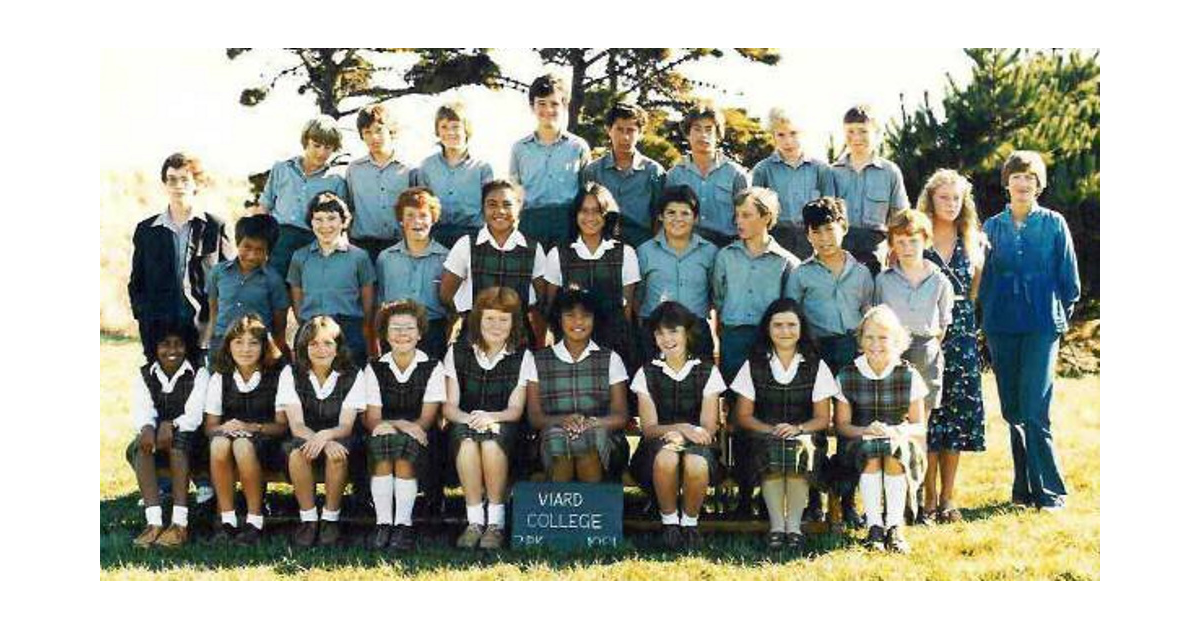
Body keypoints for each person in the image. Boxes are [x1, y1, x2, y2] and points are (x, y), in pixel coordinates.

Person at [978, 150, 1080, 511]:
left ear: (1039, 184)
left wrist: (1054, 319)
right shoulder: (991, 227)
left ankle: (1050, 492)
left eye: (1030, 177)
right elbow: (982, 278)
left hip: (1041, 327)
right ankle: (1022, 489)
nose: (1023, 183)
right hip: (1001, 326)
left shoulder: (1054, 224)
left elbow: (1070, 283)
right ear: (1007, 183)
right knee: (1013, 411)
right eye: (1017, 177)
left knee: (1036, 409)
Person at [784, 197, 874, 525]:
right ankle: (813, 499)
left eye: (830, 229)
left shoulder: (863, 273)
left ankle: (848, 500)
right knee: (816, 427)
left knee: (851, 429)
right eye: (816, 231)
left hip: (852, 352)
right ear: (808, 235)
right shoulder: (800, 274)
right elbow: (793, 316)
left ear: (844, 228)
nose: (824, 237)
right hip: (816, 352)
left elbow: (868, 312)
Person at [713, 187, 800, 515]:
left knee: (765, 416)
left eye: (747, 215)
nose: (739, 221)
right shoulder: (725, 256)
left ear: (767, 218)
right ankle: (740, 494)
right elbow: (719, 299)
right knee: (737, 419)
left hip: (770, 344)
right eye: (737, 215)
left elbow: (786, 308)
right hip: (735, 341)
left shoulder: (785, 262)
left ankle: (769, 496)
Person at [730, 299, 837, 550]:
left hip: (806, 435)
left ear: (802, 328)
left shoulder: (816, 365)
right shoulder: (754, 364)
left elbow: (823, 418)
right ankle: (778, 527)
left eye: (791, 324)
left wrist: (798, 430)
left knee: (796, 447)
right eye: (778, 325)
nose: (785, 331)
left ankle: (794, 527)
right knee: (776, 447)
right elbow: (743, 416)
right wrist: (772, 430)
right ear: (767, 328)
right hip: (762, 436)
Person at [916, 169, 988, 523]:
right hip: (925, 336)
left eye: (956, 198)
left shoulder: (974, 240)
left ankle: (948, 498)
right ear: (931, 199)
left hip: (960, 337)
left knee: (956, 420)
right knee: (928, 417)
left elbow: (973, 293)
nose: (950, 204)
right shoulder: (917, 238)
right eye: (943, 197)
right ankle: (926, 496)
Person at [629, 301, 726, 550]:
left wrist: (686, 436)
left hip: (698, 445)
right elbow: (649, 429)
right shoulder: (646, 373)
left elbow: (707, 427)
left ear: (687, 333)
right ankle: (669, 524)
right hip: (655, 448)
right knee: (667, 458)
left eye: (673, 331)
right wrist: (681, 428)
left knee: (695, 462)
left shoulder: (706, 371)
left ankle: (690, 525)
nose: (667, 338)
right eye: (660, 332)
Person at [834, 305, 929, 554]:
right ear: (860, 339)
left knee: (893, 450)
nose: (875, 344)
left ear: (897, 341)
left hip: (900, 441)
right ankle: (874, 526)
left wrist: (897, 431)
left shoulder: (909, 374)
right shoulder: (847, 374)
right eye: (869, 337)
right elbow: (842, 426)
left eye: (883, 337)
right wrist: (866, 430)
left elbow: (920, 426)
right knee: (872, 451)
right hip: (858, 443)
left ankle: (894, 526)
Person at [443, 287, 532, 550]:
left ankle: (495, 523)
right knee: (469, 443)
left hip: (505, 427)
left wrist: (490, 418)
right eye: (490, 318)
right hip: (464, 423)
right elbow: (449, 407)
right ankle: (473, 522)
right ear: (478, 319)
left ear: (514, 323)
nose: (496, 325)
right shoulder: (457, 352)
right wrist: (473, 420)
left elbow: (515, 410)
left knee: (491, 443)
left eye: (504, 320)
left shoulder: (522, 356)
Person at [129, 152, 233, 362]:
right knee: (163, 392)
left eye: (185, 179)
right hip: (158, 331)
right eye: (172, 179)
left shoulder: (215, 227)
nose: (178, 185)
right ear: (165, 184)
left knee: (203, 392)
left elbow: (229, 281)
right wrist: (145, 316)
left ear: (197, 183)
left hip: (203, 332)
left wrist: (218, 326)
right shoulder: (147, 230)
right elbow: (137, 283)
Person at [363, 300, 447, 551]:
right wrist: (400, 423)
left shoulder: (433, 366)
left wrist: (405, 428)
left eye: (409, 328)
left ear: (420, 333)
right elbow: (372, 419)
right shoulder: (374, 367)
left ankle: (403, 524)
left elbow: (425, 421)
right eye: (396, 328)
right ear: (385, 334)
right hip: (382, 434)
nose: (402, 334)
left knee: (403, 446)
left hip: (421, 440)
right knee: (386, 442)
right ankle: (383, 523)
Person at [277, 316, 366, 547]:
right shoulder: (291, 373)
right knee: (298, 454)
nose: (321, 349)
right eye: (313, 343)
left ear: (338, 348)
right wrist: (322, 442)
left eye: (328, 343)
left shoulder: (354, 375)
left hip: (340, 436)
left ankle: (330, 519)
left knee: (337, 456)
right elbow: (296, 425)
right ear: (304, 348)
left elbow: (346, 426)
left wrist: (326, 438)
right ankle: (308, 520)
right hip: (303, 435)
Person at [524, 289, 630, 484]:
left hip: (603, 437)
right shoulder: (538, 360)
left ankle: (590, 511)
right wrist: (563, 421)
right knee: (559, 439)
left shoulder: (610, 359)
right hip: (551, 437)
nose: (578, 322)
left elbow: (621, 415)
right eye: (570, 316)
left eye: (586, 316)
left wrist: (592, 423)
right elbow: (535, 417)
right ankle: (562, 512)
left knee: (587, 440)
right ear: (559, 319)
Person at [203, 314, 288, 546]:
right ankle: (227, 520)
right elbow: (210, 427)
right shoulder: (220, 377)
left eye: (253, 343)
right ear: (228, 345)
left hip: (268, 442)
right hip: (229, 439)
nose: (245, 349)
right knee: (220, 442)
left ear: (264, 346)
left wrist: (252, 428)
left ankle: (255, 520)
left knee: (242, 444)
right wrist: (224, 427)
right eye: (238, 342)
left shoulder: (279, 376)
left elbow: (282, 426)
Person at [872, 210, 954, 447]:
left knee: (919, 423)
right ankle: (888, 477)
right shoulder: (883, 280)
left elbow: (942, 325)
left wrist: (930, 349)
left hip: (925, 352)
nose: (907, 248)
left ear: (926, 241)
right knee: (889, 418)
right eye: (900, 242)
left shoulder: (940, 281)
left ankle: (914, 480)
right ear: (892, 245)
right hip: (890, 352)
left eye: (913, 241)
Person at [127, 322, 211, 548]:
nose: (172, 351)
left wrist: (170, 424)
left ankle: (179, 524)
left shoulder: (199, 373)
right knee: (141, 446)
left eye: (178, 345)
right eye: (165, 345)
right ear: (154, 347)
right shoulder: (145, 374)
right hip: (160, 437)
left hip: (194, 441)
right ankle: (153, 522)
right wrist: (147, 428)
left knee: (178, 442)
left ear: (187, 347)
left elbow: (193, 416)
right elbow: (143, 410)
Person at [440, 179, 549, 348]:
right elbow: (446, 295)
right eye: (492, 204)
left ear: (519, 209)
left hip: (518, 339)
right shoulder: (466, 244)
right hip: (474, 338)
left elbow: (542, 301)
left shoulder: (533, 249)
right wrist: (465, 319)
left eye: (507, 204)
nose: (500, 211)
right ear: (483, 208)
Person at [544, 182, 640, 369]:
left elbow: (626, 312)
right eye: (584, 211)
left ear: (607, 215)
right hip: (571, 347)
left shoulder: (625, 253)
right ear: (575, 214)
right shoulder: (558, 254)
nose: (590, 217)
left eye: (597, 211)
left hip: (615, 346)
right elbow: (552, 308)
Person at [287, 191, 377, 367]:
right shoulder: (300, 257)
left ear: (343, 221)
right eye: (318, 219)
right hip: (311, 328)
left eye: (331, 218)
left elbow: (367, 300)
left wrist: (360, 327)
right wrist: (308, 325)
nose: (325, 225)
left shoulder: (359, 257)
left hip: (348, 330)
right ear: (310, 222)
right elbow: (297, 299)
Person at [256, 116, 348, 282]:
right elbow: (264, 206)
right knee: (273, 296)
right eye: (316, 145)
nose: (321, 152)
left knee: (306, 299)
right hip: (278, 239)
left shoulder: (336, 181)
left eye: (328, 147)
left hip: (312, 242)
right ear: (306, 141)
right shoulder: (282, 168)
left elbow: (340, 223)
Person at [634, 185, 719, 361]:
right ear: (660, 216)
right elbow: (638, 296)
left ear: (695, 218)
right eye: (671, 213)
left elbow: (715, 294)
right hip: (656, 331)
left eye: (685, 213)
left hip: (696, 331)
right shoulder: (645, 251)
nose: (678, 219)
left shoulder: (710, 252)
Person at [509, 73, 590, 251]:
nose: (548, 110)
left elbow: (586, 191)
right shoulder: (520, 148)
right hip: (531, 221)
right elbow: (515, 192)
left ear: (564, 106)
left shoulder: (578, 147)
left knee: (564, 275)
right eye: (542, 104)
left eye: (554, 104)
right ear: (532, 106)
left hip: (567, 222)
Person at [830, 105, 909, 275]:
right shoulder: (832, 172)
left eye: (863, 131)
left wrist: (896, 250)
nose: (856, 137)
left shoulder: (890, 172)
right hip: (840, 249)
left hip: (875, 249)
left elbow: (901, 217)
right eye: (850, 131)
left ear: (877, 133)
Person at [376, 187, 451, 360]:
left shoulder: (446, 258)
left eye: (423, 215)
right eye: (409, 215)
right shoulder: (386, 258)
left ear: (433, 219)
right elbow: (379, 301)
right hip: (395, 331)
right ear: (401, 220)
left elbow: (452, 307)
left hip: (433, 332)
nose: (417, 221)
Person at [204, 214, 290, 363]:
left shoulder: (274, 280)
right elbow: (214, 312)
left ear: (268, 251)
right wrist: (211, 344)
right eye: (247, 247)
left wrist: (275, 353)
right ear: (238, 243)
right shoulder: (218, 273)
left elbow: (279, 326)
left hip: (257, 347)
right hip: (222, 343)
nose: (251, 256)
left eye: (259, 250)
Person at [750, 106, 833, 259]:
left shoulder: (821, 169)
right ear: (773, 135)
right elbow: (756, 212)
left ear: (804, 133)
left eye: (793, 133)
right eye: (781, 135)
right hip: (776, 237)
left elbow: (830, 211)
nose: (788, 141)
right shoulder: (763, 170)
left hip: (811, 238)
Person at [664, 101, 750, 248]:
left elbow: (747, 218)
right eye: (697, 129)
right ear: (688, 134)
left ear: (718, 135)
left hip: (727, 248)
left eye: (709, 129)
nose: (703, 135)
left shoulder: (736, 174)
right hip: (687, 249)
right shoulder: (675, 175)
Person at [581, 101, 666, 248]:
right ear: (609, 130)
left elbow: (661, 218)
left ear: (640, 133)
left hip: (641, 246)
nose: (625, 137)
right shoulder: (593, 171)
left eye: (631, 130)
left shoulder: (654, 172)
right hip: (603, 247)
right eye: (619, 129)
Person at [416, 101, 495, 249]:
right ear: (438, 132)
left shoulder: (482, 168)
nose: (450, 132)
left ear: (466, 129)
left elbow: (489, 207)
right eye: (444, 127)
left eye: (455, 127)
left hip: (472, 235)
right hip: (436, 235)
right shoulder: (427, 166)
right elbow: (422, 206)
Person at [346, 103, 413, 261]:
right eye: (367, 132)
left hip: (398, 245)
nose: (373, 137)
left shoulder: (409, 170)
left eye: (379, 130)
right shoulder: (354, 170)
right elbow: (349, 207)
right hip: (362, 246)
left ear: (391, 131)